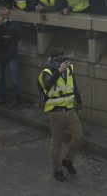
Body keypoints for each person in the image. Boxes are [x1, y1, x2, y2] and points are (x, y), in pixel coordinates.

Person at [39, 49, 83, 182]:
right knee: (56, 143)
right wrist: (58, 71)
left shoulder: (69, 69)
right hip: (56, 112)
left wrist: (79, 102)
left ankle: (68, 160)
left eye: (62, 57)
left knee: (78, 137)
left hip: (70, 110)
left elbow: (74, 85)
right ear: (52, 59)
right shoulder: (47, 72)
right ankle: (57, 170)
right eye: (58, 58)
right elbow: (47, 85)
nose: (61, 59)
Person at [0, 9, 22, 106]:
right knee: (0, 78)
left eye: (6, 14)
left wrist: (12, 27)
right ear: (0, 15)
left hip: (11, 55)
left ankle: (18, 99)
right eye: (2, 15)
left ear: (9, 14)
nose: (4, 17)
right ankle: (1, 97)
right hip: (0, 54)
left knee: (15, 79)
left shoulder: (14, 24)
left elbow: (20, 35)